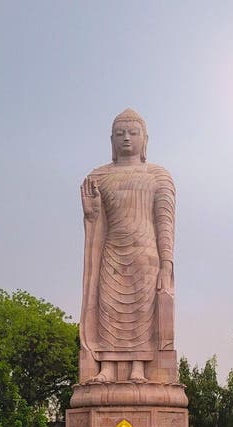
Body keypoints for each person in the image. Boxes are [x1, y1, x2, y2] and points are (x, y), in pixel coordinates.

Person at [80, 109, 175, 383]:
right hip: (112, 252)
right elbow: (96, 225)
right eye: (120, 134)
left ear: (145, 140)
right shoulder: (98, 177)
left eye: (133, 133)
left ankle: (137, 366)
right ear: (111, 140)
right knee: (108, 310)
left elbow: (165, 221)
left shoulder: (158, 176)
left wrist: (167, 263)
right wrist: (91, 214)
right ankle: (107, 366)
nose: (126, 139)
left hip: (146, 255)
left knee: (143, 312)